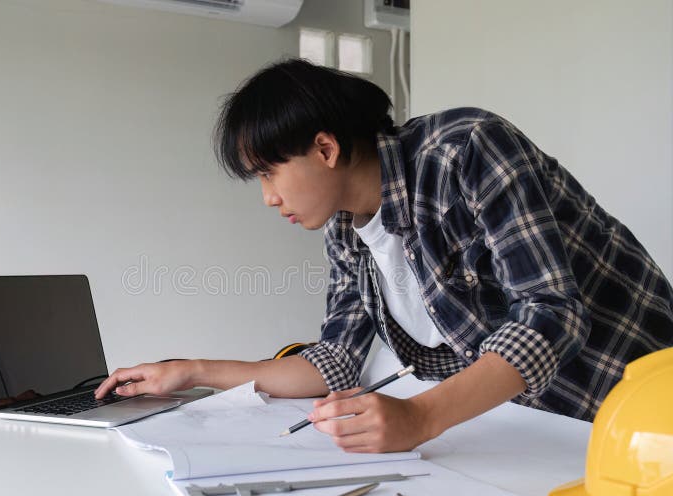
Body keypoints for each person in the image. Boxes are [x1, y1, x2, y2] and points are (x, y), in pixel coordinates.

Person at [95, 59, 673, 453]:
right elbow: (336, 361)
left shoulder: (465, 149)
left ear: (324, 148)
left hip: (640, 413)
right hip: (537, 434)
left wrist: (420, 417)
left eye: (269, 173)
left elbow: (551, 314)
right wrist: (194, 372)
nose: (268, 197)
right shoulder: (344, 232)